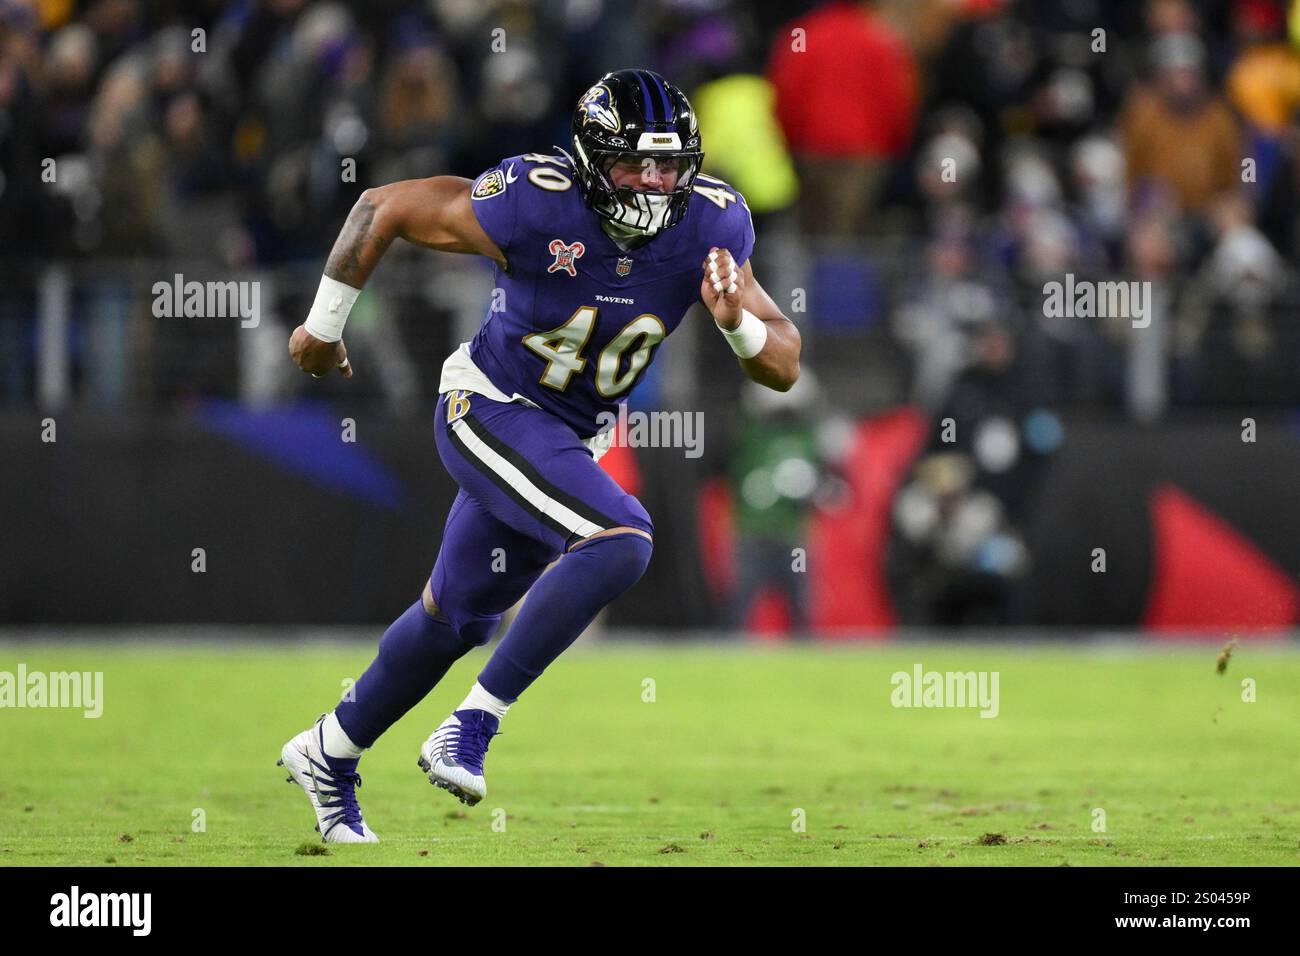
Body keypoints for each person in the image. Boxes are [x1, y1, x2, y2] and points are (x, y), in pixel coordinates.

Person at [278, 69, 801, 842]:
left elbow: (783, 364)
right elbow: (379, 206)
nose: (655, 183)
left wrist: (737, 327)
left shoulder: (711, 225)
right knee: (621, 538)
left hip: (567, 437)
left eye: (669, 165)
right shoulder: (532, 200)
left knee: (457, 619)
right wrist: (323, 330)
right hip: (490, 407)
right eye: (634, 164)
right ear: (592, 158)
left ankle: (329, 750)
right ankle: (473, 726)